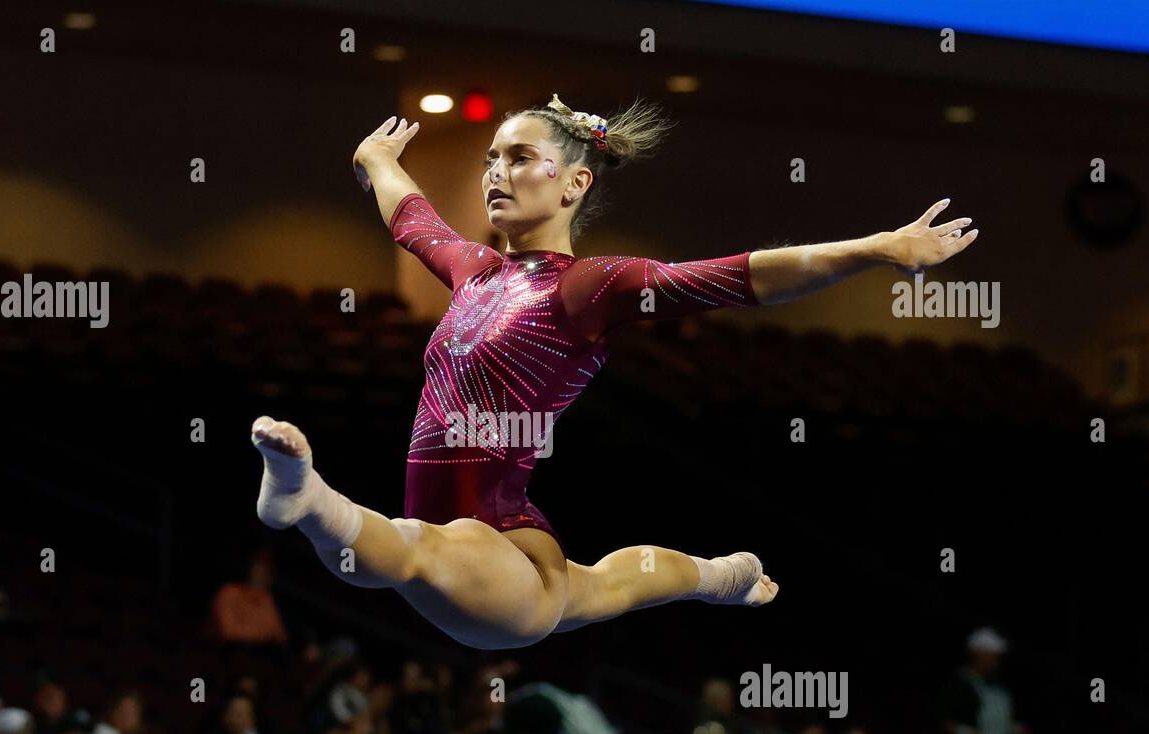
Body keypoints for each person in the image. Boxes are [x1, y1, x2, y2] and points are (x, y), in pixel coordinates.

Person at [250, 94, 978, 650]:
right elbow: (413, 221)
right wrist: (375, 161)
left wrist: (881, 247)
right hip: (515, 559)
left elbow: (741, 276)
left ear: (574, 183)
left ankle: (303, 496)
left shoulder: (593, 286)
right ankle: (726, 576)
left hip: (493, 551)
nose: (496, 172)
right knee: (608, 583)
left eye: (519, 157)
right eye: (490, 159)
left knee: (399, 551)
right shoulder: (476, 273)